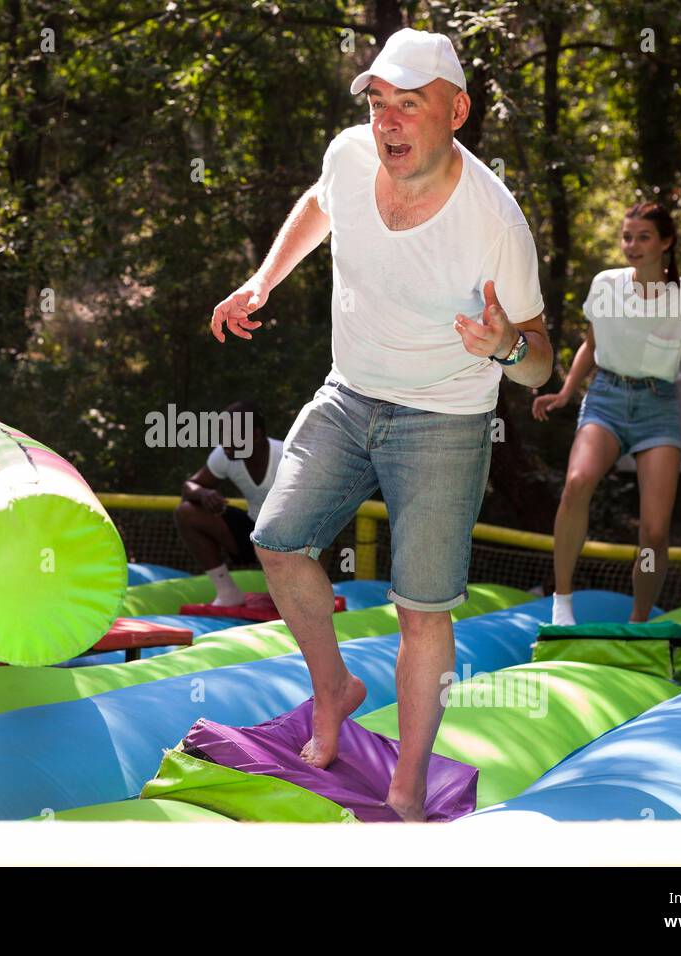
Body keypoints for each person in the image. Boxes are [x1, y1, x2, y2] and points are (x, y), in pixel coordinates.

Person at [209, 29, 552, 821]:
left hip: (445, 417)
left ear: (456, 111)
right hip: (350, 390)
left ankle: (406, 786)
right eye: (377, 103)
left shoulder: (495, 223)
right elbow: (320, 205)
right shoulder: (350, 157)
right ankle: (334, 689)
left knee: (421, 609)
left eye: (409, 104)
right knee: (278, 539)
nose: (387, 123)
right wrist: (264, 281)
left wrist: (505, 346)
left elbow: (540, 362)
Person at [532, 201, 681, 624]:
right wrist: (567, 393)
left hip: (657, 408)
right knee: (576, 482)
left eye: (643, 237)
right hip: (605, 397)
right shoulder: (606, 285)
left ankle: (639, 622)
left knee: (655, 531)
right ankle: (561, 604)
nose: (632, 245)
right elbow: (591, 344)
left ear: (666, 242)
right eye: (627, 237)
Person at [174, 400, 283, 606]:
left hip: (290, 543)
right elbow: (190, 486)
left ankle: (303, 593)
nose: (224, 441)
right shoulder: (223, 455)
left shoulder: (288, 457)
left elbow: (318, 519)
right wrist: (203, 493)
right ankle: (227, 592)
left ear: (256, 435)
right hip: (253, 535)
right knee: (186, 511)